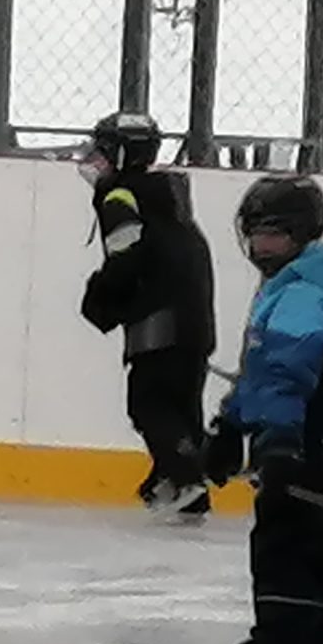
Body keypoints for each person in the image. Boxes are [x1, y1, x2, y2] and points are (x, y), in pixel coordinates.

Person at [203, 174, 323, 644]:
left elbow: (284, 375)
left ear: (302, 236)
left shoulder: (300, 296)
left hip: (300, 446)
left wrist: (275, 442)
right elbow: (260, 375)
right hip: (314, 447)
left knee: (282, 546)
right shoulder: (292, 288)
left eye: (275, 235)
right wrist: (231, 425)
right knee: (319, 546)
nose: (261, 246)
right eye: (255, 234)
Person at [76, 111, 217, 521]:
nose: (93, 159)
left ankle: (186, 478)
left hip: (159, 324)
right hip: (195, 322)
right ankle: (175, 484)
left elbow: (126, 258)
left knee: (148, 403)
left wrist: (99, 299)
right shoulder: (169, 201)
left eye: (101, 150)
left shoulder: (120, 197)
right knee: (182, 405)